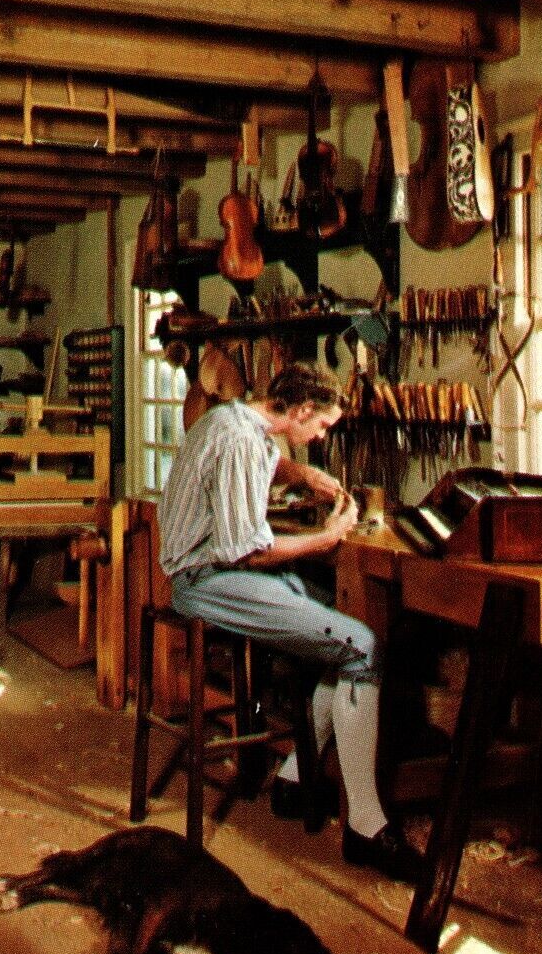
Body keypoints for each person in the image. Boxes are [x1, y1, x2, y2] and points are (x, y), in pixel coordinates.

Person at [157, 361, 419, 879]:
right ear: (299, 410)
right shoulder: (240, 440)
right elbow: (248, 551)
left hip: (212, 569)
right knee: (361, 645)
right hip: (204, 580)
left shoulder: (235, 418)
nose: (320, 436)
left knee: (335, 619)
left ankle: (295, 776)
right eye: (320, 425)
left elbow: (266, 457)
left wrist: (303, 475)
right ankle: (365, 827)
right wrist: (328, 538)